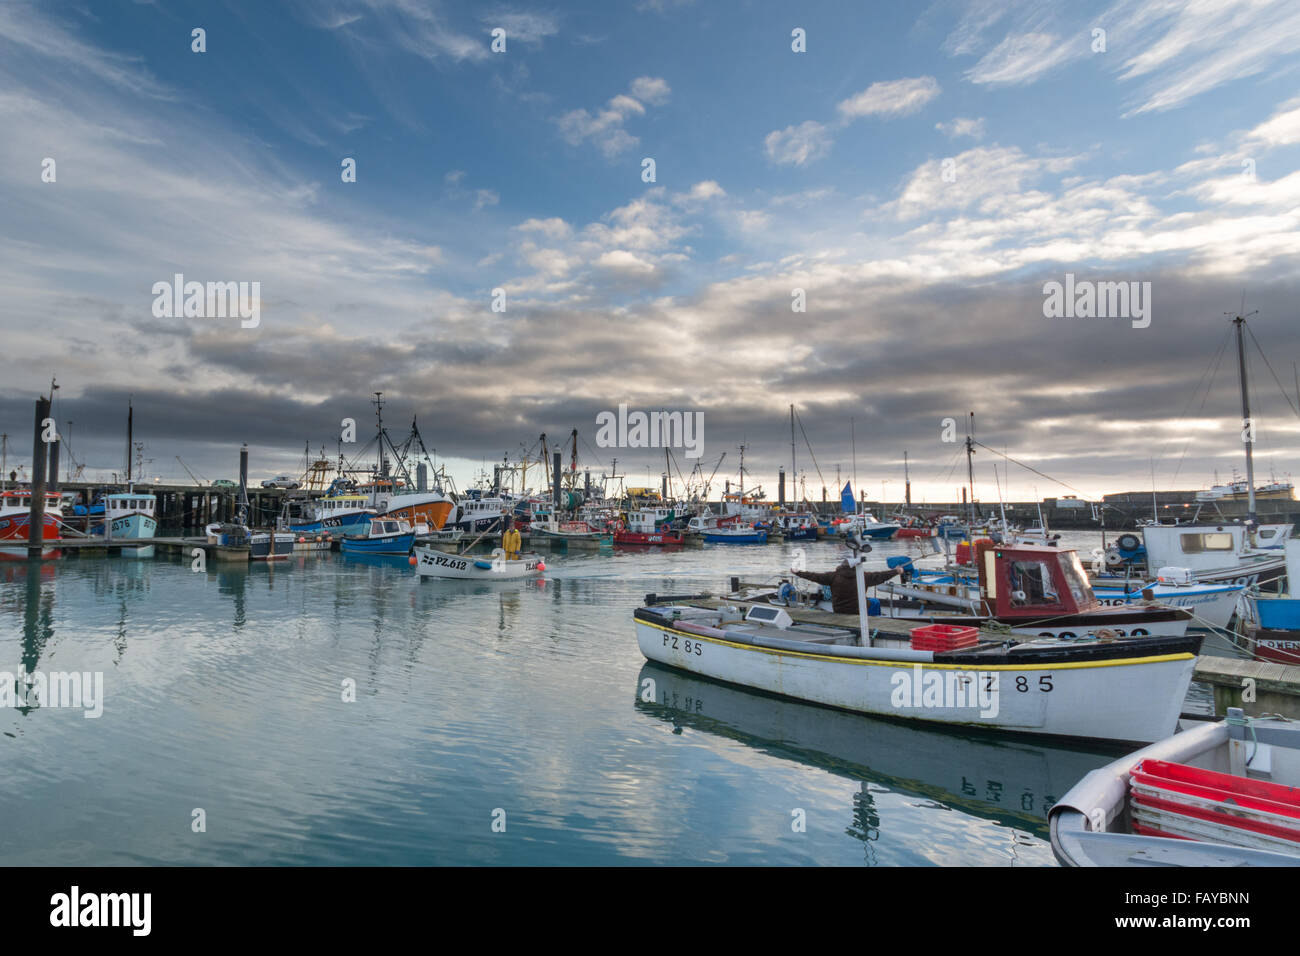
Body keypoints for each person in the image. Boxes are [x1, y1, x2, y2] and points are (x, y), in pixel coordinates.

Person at [793, 560, 901, 615]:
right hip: (857, 609)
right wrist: (896, 571)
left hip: (839, 609)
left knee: (871, 602)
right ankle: (873, 621)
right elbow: (881, 576)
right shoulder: (863, 576)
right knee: (875, 602)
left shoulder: (832, 576)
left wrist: (798, 572)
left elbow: (814, 576)